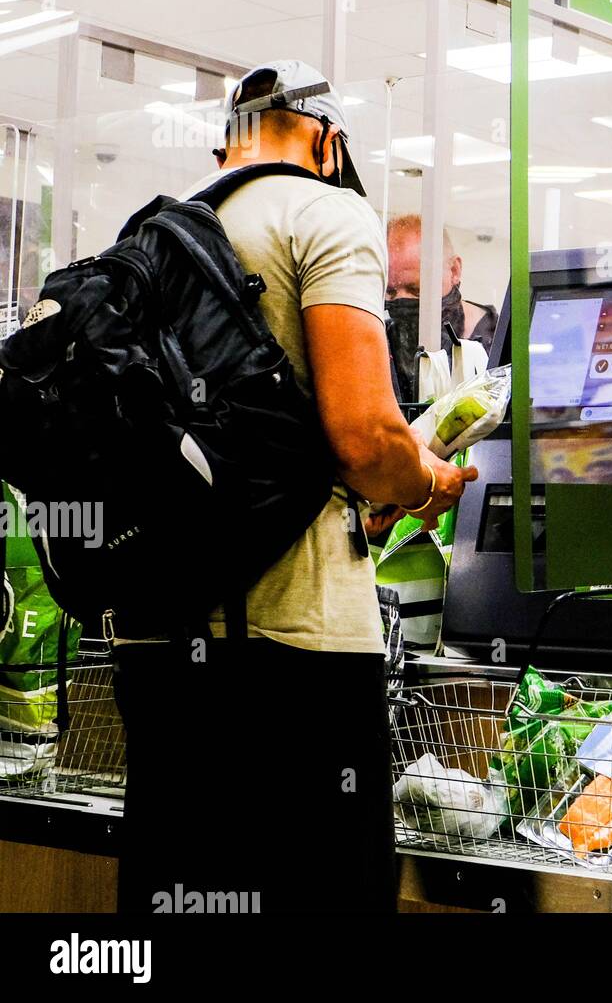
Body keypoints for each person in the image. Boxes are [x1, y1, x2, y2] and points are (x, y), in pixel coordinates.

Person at [112, 61, 477, 915]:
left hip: (156, 652)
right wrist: (422, 480)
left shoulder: (151, 234)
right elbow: (363, 437)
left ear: (229, 141)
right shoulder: (330, 211)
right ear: (326, 138)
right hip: (295, 649)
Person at [385, 215, 499, 405]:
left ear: (454, 271)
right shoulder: (381, 343)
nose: (402, 300)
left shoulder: (499, 340)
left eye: (416, 289)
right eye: (390, 291)